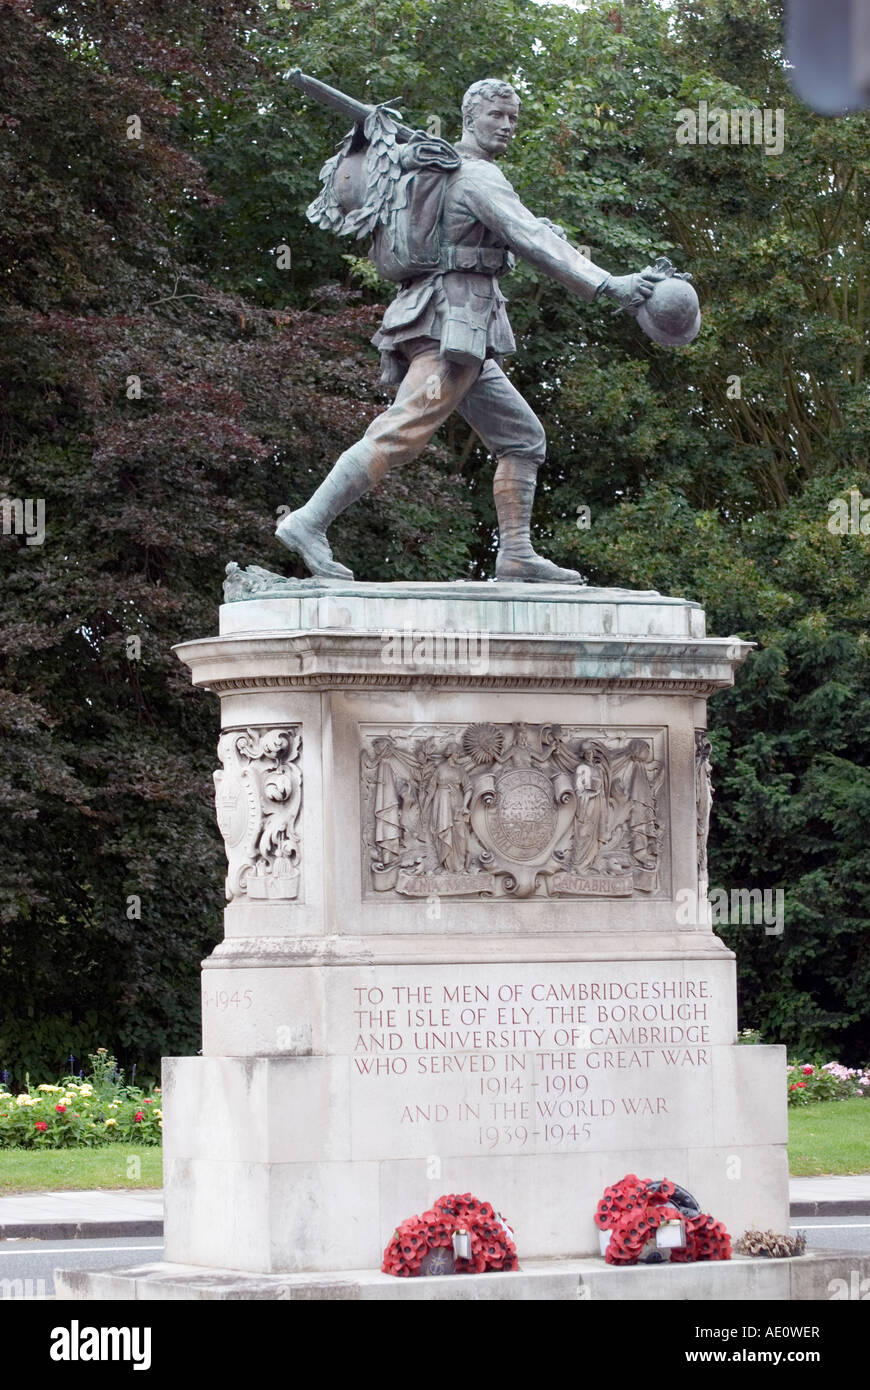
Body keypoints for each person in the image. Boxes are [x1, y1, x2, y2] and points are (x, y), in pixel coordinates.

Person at [277, 78, 662, 583]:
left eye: (513, 118)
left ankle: (516, 554)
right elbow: (532, 240)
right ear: (469, 118)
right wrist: (611, 284)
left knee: (522, 438)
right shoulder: (475, 176)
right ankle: (308, 521)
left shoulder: (447, 171)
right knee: (403, 430)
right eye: (496, 116)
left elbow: (494, 231)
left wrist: (530, 230)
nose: (506, 126)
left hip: (457, 326)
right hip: (452, 326)